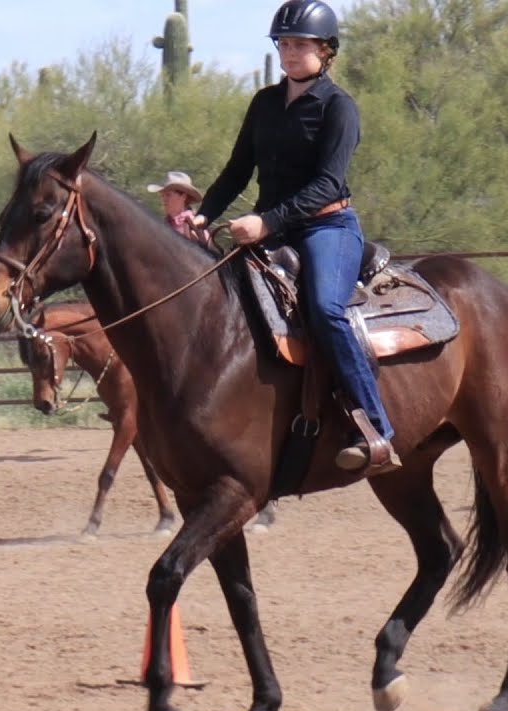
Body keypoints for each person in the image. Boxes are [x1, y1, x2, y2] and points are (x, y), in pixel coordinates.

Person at [192, 0, 400, 474]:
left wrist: (266, 222)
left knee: (326, 310)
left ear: (327, 51)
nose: (289, 52)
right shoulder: (264, 102)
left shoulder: (339, 107)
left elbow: (328, 183)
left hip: (328, 226)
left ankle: (376, 427)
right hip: (272, 226)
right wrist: (205, 216)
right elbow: (237, 169)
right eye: (283, 43)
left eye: (299, 44)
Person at [146, 171, 212, 247]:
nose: (164, 199)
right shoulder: (165, 223)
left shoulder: (195, 224)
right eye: (162, 195)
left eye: (168, 195)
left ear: (183, 196)